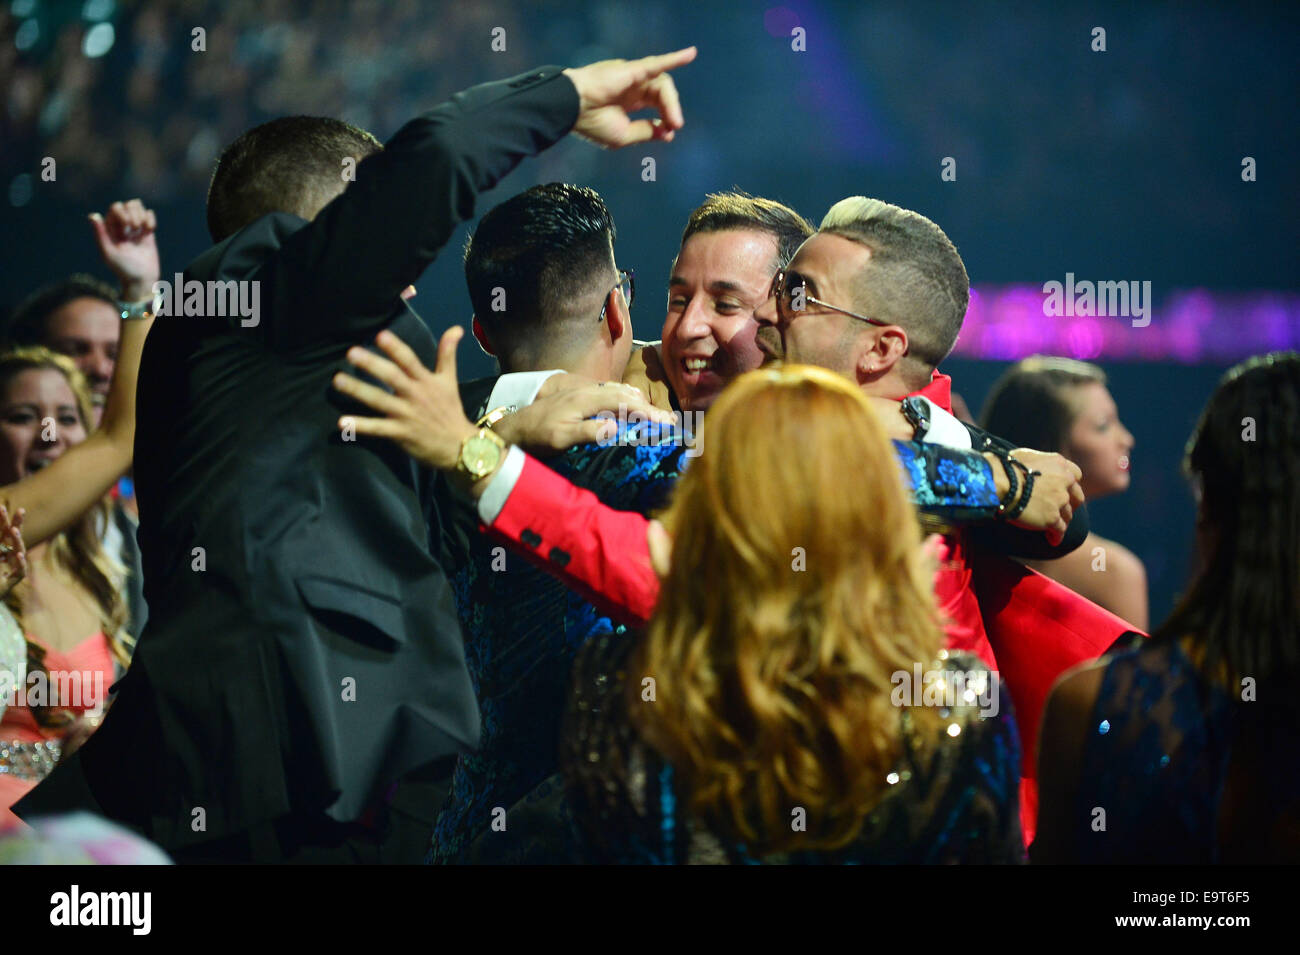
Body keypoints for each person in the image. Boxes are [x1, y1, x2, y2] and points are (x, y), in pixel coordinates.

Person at [16, 47, 701, 862]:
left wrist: (499, 433)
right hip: (278, 769)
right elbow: (438, 158)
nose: (407, 286)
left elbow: (387, 502)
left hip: (314, 774)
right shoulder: (266, 280)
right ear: (347, 197)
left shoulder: (253, 366)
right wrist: (568, 95)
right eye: (381, 231)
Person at [1034, 352, 1300, 863]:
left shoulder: (1097, 702)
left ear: (1205, 503)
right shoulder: (1110, 573)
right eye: (1104, 424)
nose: (1126, 439)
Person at [0, 349, 130, 830]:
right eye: (21, 417)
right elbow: (123, 437)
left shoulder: (104, 571)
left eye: (67, 417)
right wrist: (138, 297)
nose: (49, 435)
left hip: (79, 827)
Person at [980, 356, 1146, 629]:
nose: (1126, 439)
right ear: (1047, 446)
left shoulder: (966, 543)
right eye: (1103, 426)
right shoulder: (1117, 572)